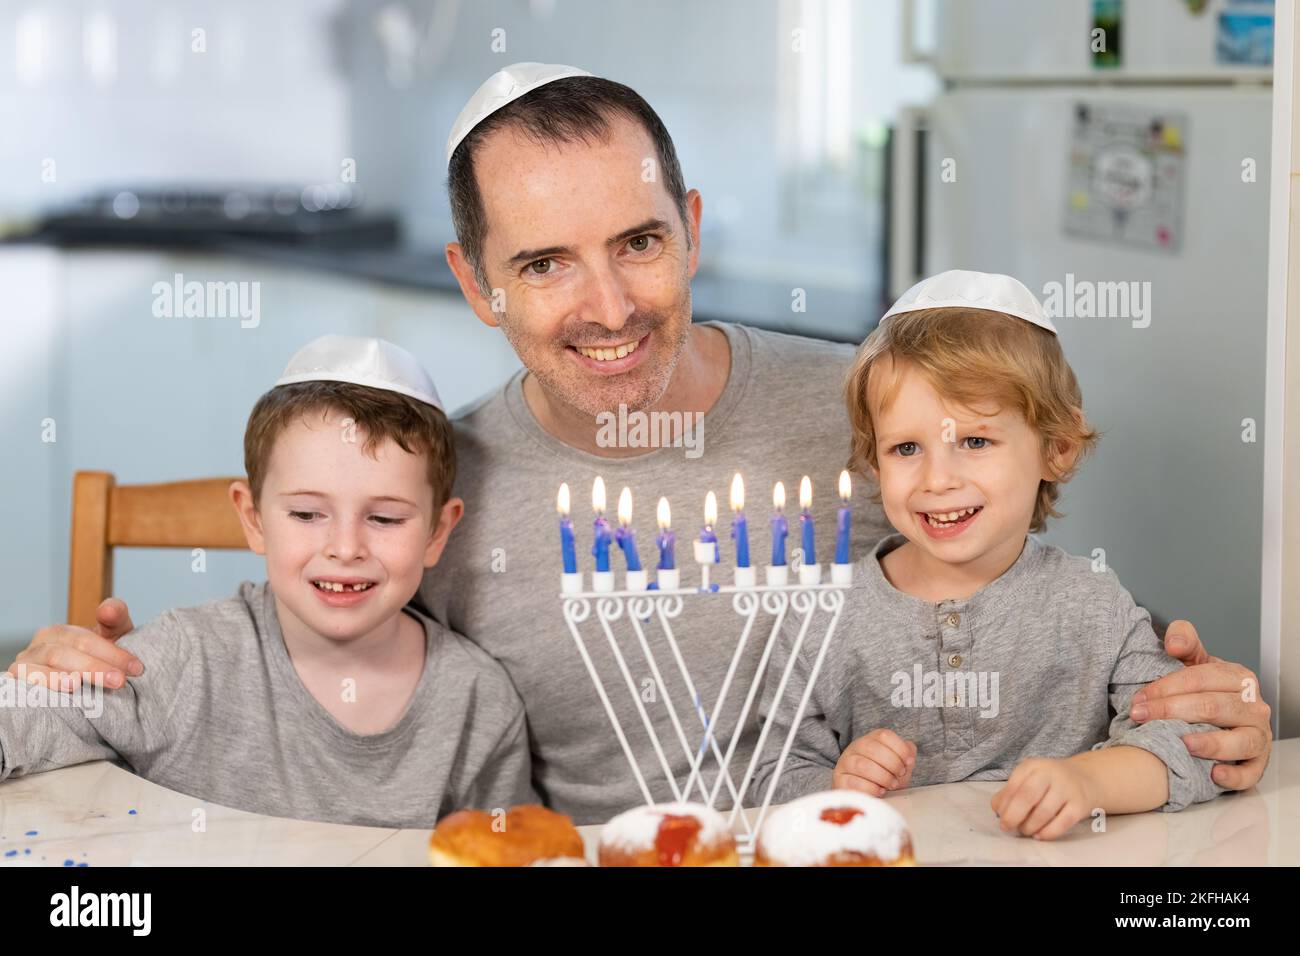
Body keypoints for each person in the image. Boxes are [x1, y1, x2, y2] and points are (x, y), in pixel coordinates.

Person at [10, 64, 1272, 824]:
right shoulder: (431, 499)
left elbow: (1024, 603)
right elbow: (287, 652)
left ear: (693, 226)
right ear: (471, 281)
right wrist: (73, 671)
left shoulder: (878, 419)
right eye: (544, 262)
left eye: (638, 241)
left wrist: (1182, 715)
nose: (608, 307)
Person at [752, 272, 1226, 839]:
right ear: (874, 462)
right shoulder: (820, 617)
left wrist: (1090, 782)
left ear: (1056, 447)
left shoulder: (1093, 603)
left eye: (975, 442)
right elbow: (766, 778)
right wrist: (837, 787)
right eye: (906, 448)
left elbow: (1193, 745)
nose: (938, 479)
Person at [0, 336, 532, 828]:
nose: (345, 548)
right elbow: (23, 730)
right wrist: (30, 682)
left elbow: (510, 852)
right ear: (253, 519)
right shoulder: (186, 659)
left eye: (386, 519)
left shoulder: (476, 700)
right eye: (305, 514)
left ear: (438, 532)